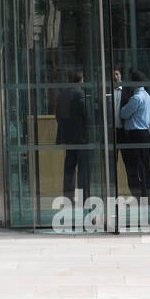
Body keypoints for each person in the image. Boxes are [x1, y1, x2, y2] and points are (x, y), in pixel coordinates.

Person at [55, 69, 91, 200]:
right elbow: (86, 115)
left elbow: (57, 116)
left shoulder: (62, 95)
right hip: (81, 137)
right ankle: (83, 197)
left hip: (68, 137)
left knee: (69, 168)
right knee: (82, 169)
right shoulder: (80, 94)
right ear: (81, 81)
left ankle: (68, 197)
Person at [120, 69, 150, 198]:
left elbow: (124, 113)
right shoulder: (147, 96)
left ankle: (143, 195)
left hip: (136, 134)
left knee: (137, 166)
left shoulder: (136, 98)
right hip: (145, 133)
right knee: (145, 166)